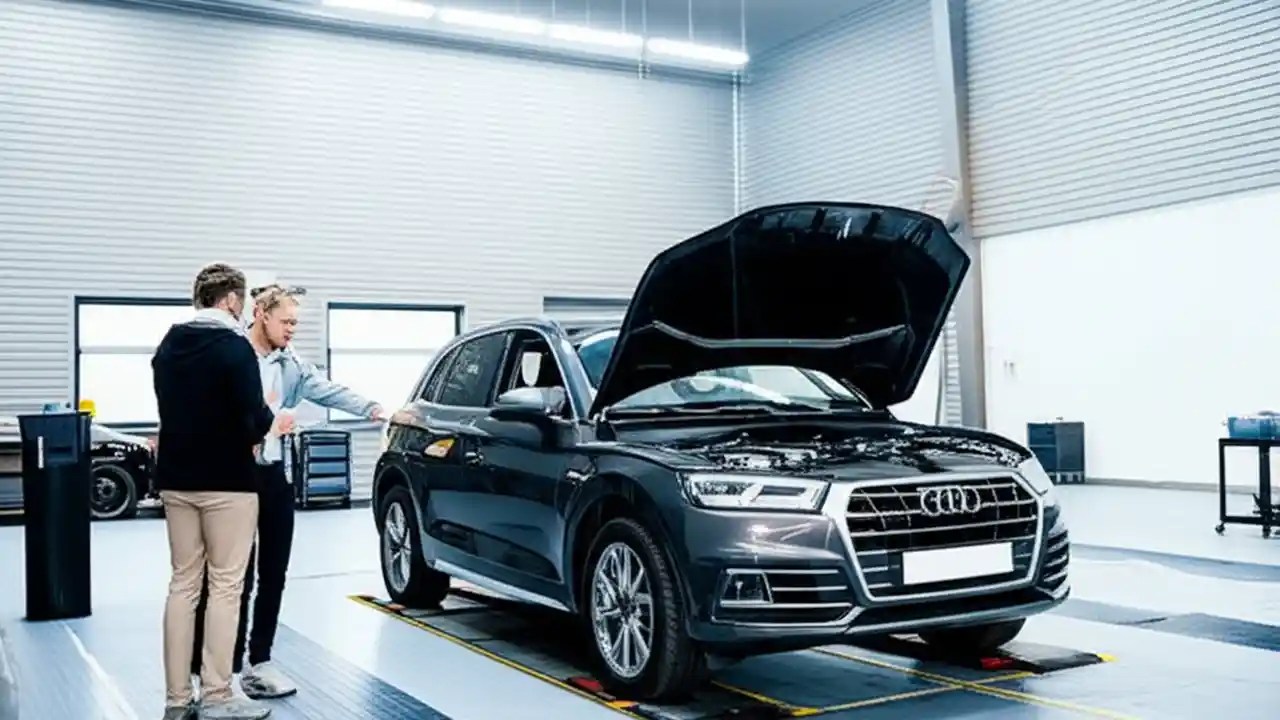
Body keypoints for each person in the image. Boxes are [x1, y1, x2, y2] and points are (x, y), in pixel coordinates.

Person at [190, 282, 389, 701]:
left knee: (274, 572)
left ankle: (259, 661)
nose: (291, 329)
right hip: (234, 476)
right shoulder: (232, 355)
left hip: (274, 474)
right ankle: (220, 670)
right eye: (286, 321)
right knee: (233, 577)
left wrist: (373, 408)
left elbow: (326, 389)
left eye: (296, 323)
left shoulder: (291, 362)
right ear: (260, 314)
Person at [153, 263, 293, 720]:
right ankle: (217, 695)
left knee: (182, 585)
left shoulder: (169, 345)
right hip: (228, 484)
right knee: (226, 586)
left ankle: (177, 699)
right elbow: (252, 422)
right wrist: (272, 419)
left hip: (176, 482)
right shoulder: (235, 349)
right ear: (232, 300)